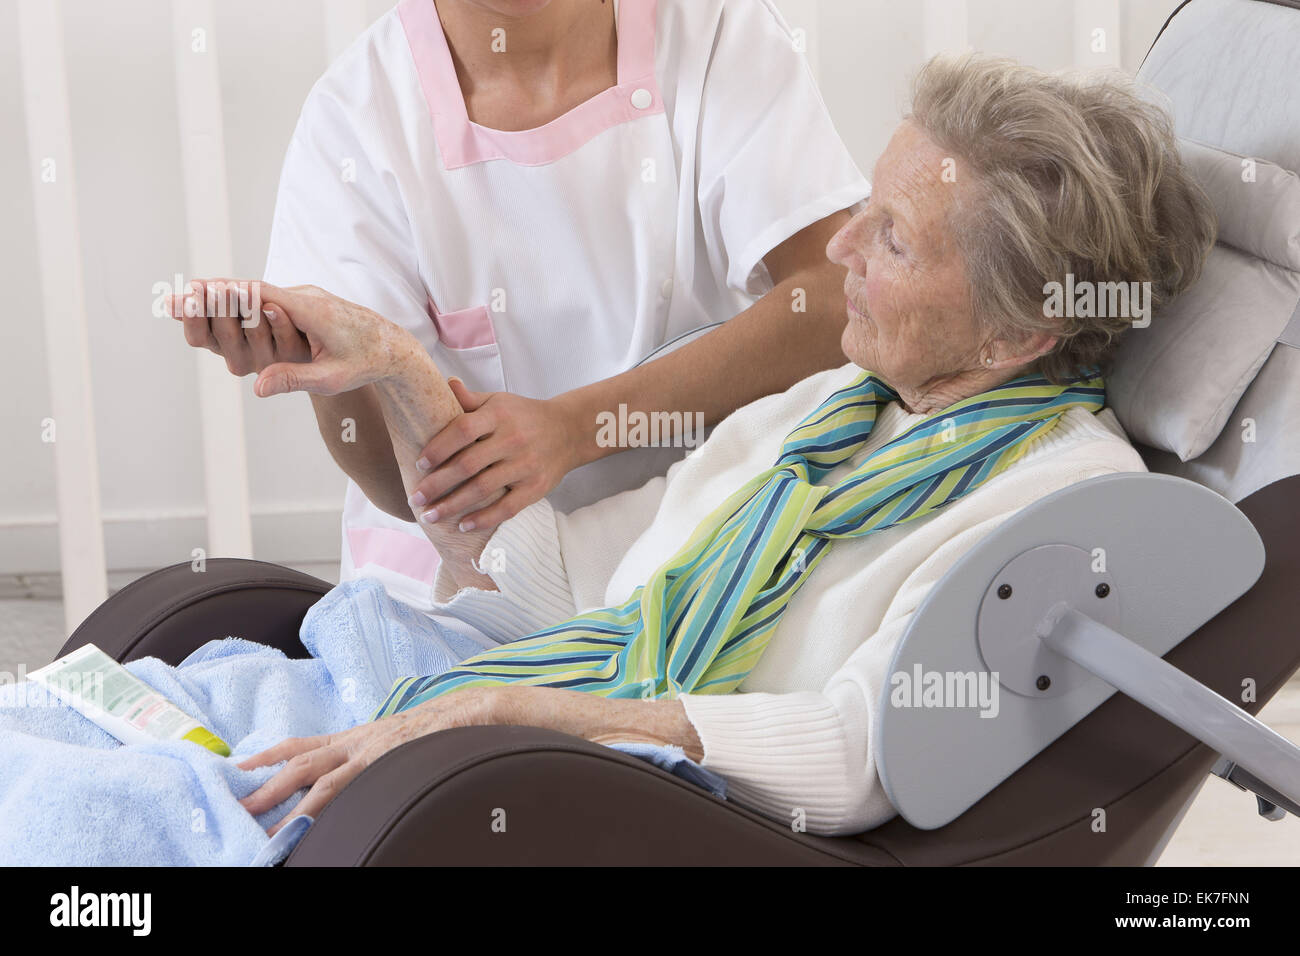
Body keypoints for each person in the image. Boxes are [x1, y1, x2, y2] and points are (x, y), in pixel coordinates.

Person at [172, 53, 1216, 835]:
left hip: (620, 804)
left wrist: (516, 714)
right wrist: (395, 367)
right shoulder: (834, 407)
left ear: (1018, 330)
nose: (838, 249)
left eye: (890, 236)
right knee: (104, 723)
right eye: (863, 209)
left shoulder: (1068, 502)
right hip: (492, 722)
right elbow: (568, 582)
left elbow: (861, 749)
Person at [178, 0, 870, 611]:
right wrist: (325, 373)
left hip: (694, 549)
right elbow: (400, 487)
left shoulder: (716, 31)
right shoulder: (355, 118)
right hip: (467, 593)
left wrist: (576, 428)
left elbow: (833, 298)